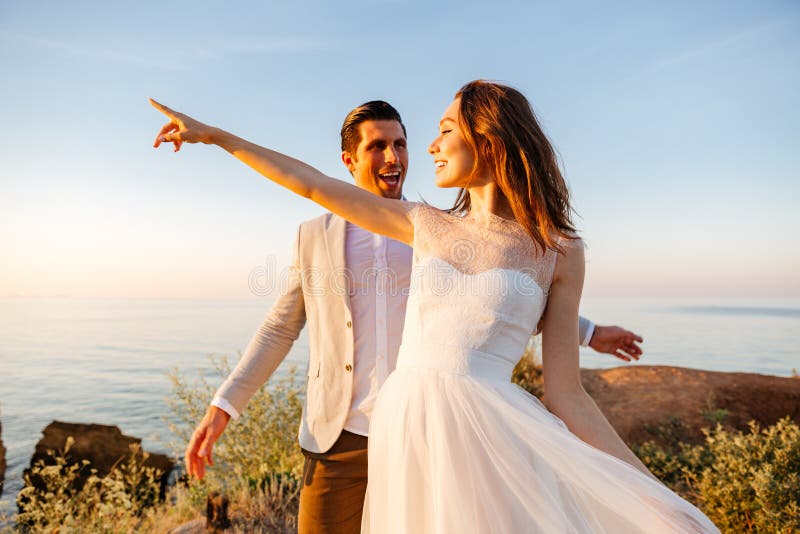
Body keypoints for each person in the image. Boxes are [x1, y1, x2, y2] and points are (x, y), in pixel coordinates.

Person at [151, 82, 715, 532]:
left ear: (488, 140)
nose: (419, 149)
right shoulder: (420, 227)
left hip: (484, 442)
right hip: (377, 432)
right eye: (384, 145)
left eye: (439, 132)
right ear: (353, 158)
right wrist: (216, 137)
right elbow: (309, 192)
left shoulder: (552, 249)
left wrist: (652, 493)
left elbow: (547, 368)